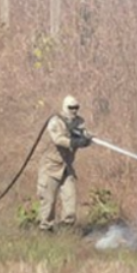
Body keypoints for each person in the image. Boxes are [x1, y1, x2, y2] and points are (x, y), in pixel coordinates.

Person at [36, 95, 93, 233]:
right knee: (48, 202)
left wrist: (86, 140)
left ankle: (66, 230)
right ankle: (45, 230)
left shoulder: (79, 121)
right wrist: (74, 142)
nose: (74, 110)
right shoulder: (55, 122)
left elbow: (83, 134)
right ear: (65, 107)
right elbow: (59, 140)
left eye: (76, 107)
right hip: (51, 167)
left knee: (70, 202)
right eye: (71, 108)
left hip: (67, 167)